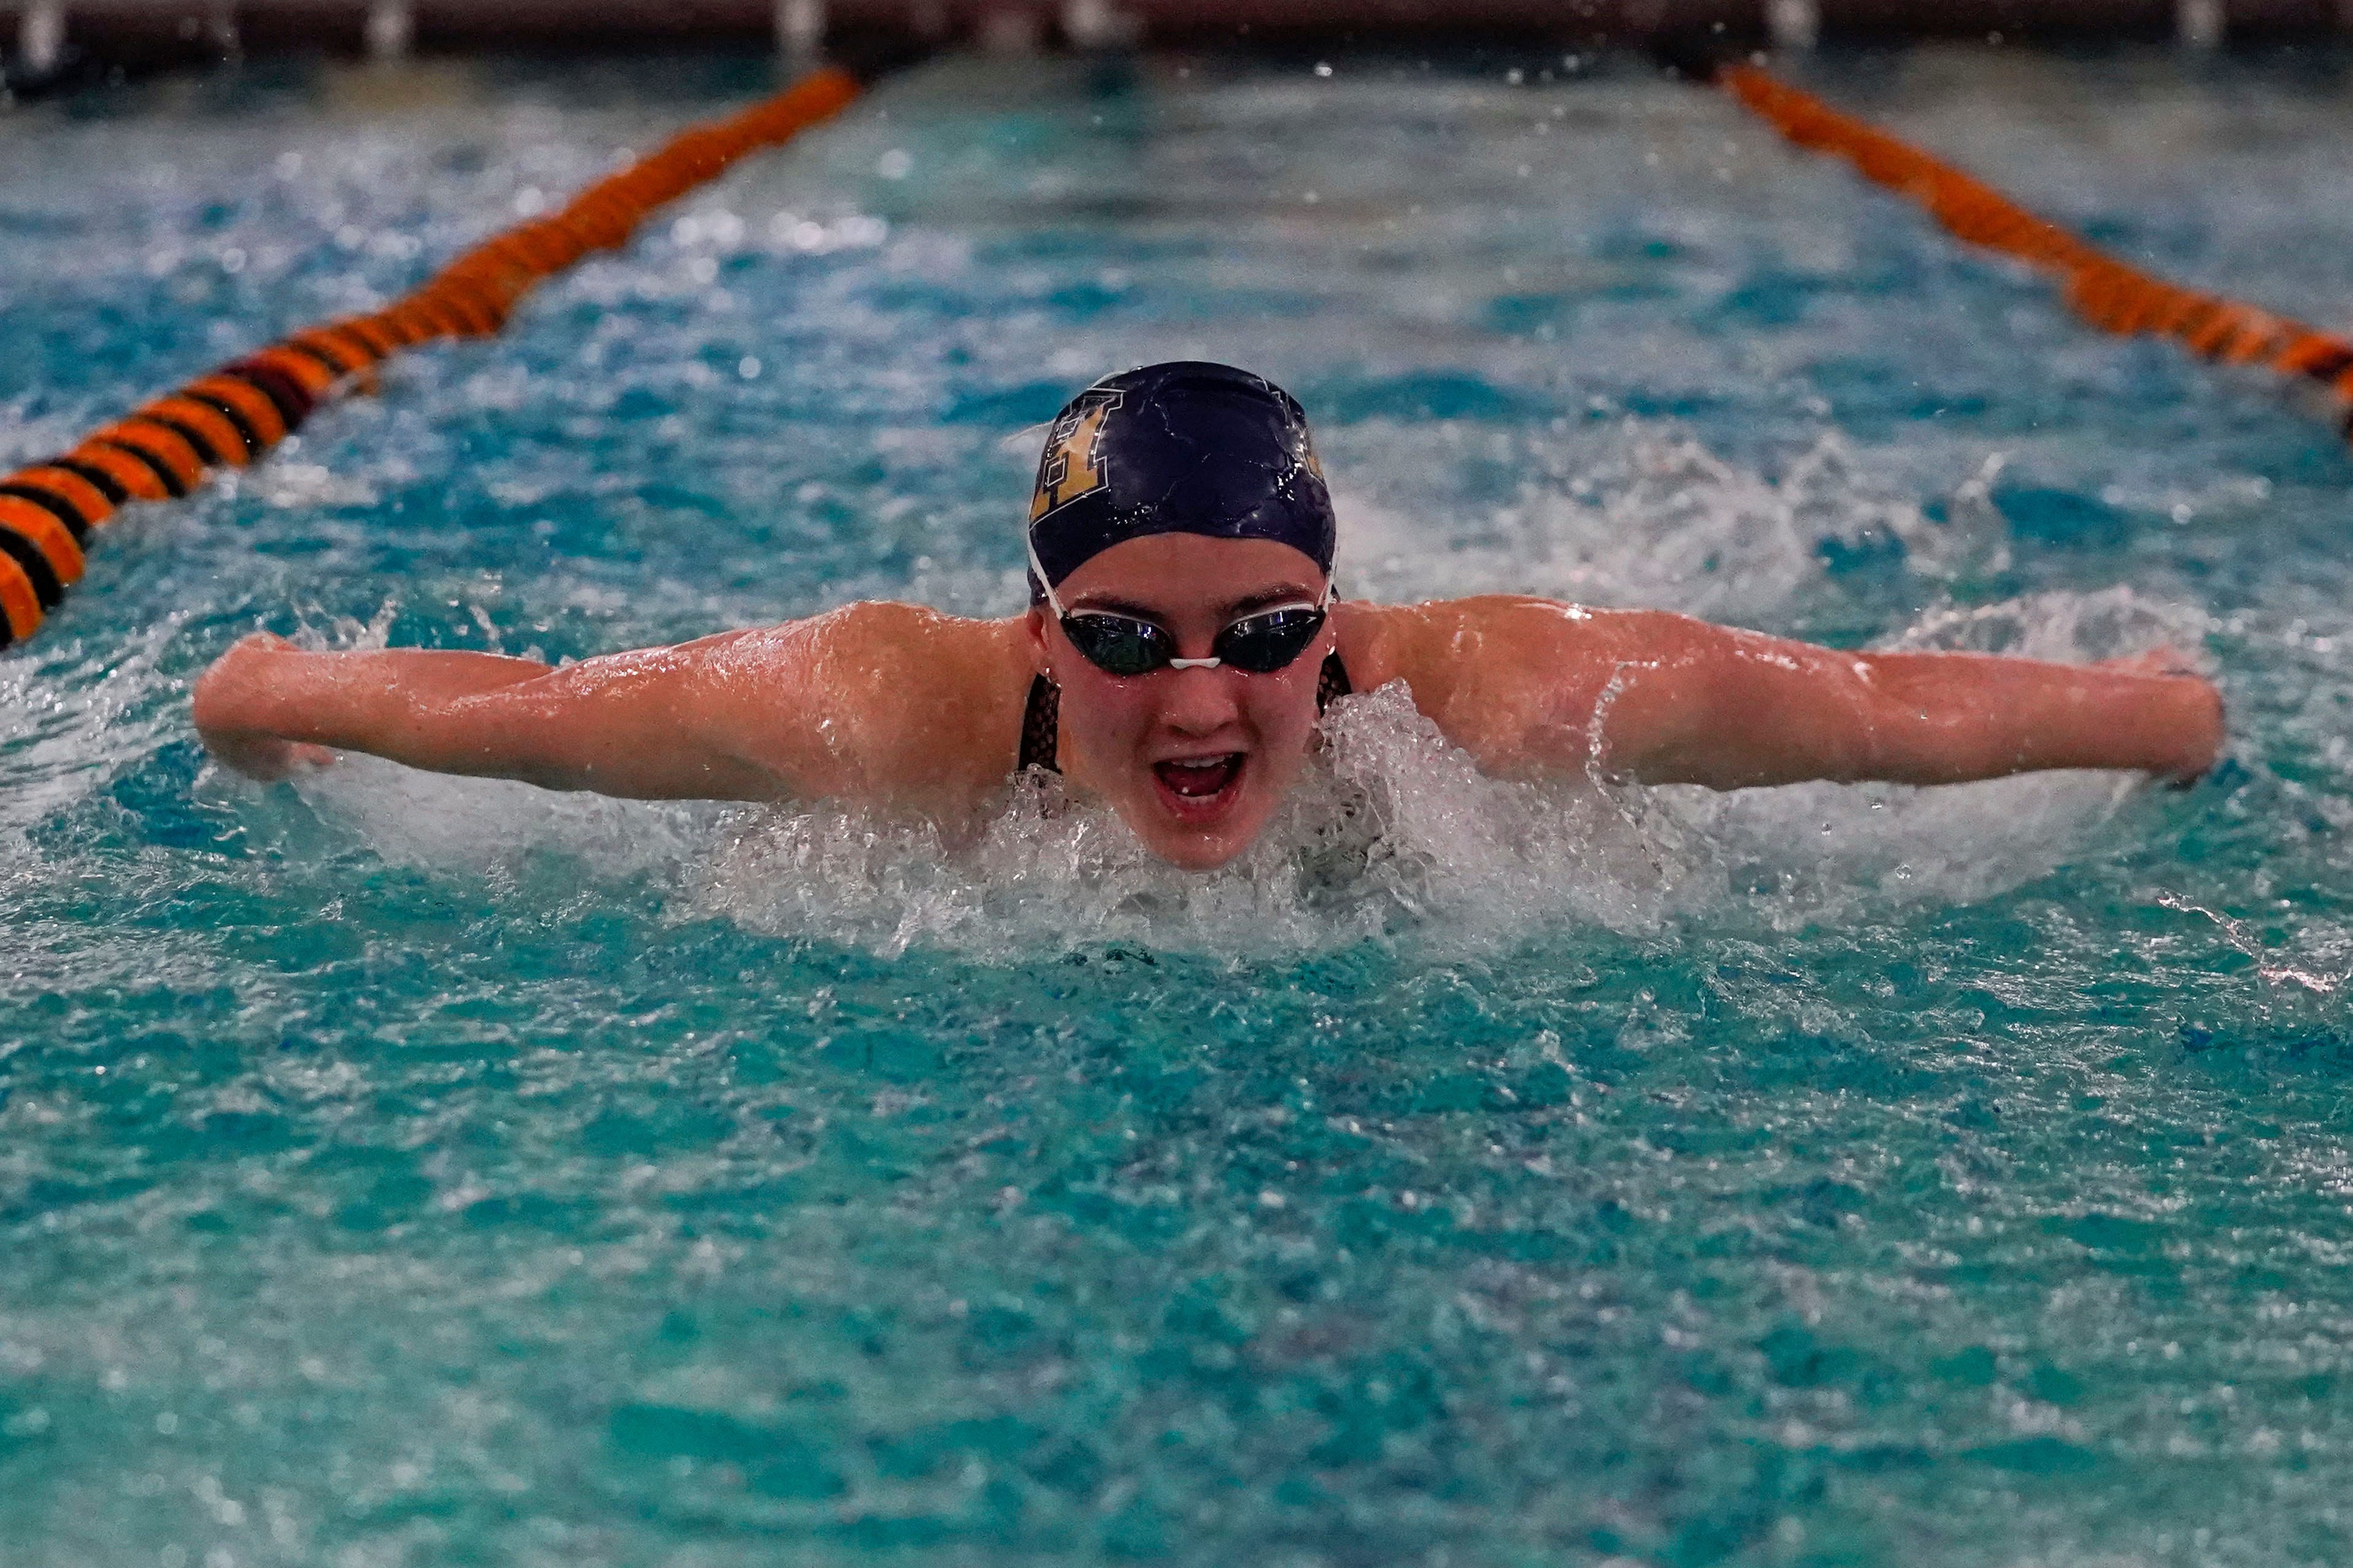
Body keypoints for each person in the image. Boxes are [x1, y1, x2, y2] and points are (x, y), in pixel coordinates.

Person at [194, 361, 2224, 872]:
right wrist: (273, 690)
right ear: (1031, 637)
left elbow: (1866, 707)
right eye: (1126, 637)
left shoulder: (1505, 694)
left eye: (1261, 637)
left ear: (1335, 632)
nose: (1196, 694)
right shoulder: (886, 710)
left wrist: (2156, 715)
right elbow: (540, 714)